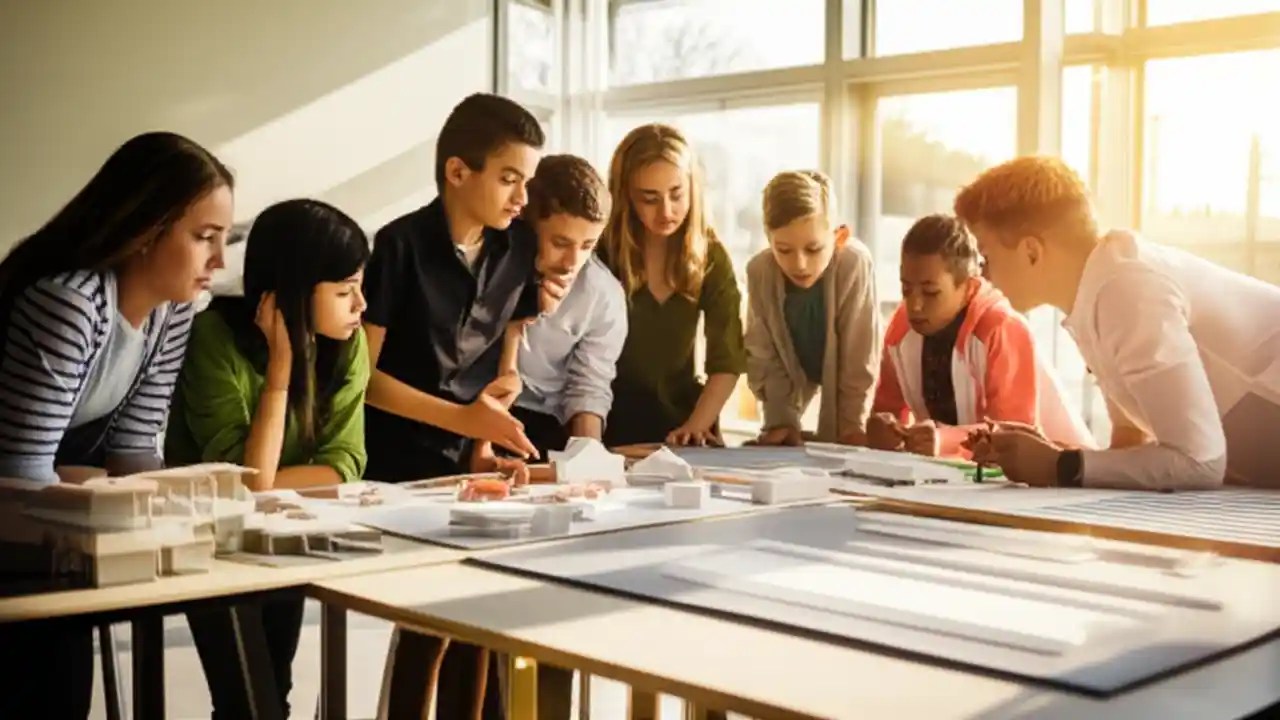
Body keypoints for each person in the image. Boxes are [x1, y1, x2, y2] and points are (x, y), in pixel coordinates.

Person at [0, 131, 233, 719]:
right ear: (144, 230)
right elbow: (20, 479)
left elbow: (132, 458)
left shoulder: (172, 311)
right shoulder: (72, 305)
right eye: (204, 237)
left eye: (225, 239)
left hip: (36, 531)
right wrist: (105, 493)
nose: (220, 261)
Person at [361, 92, 561, 719]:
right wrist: (465, 420)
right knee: (427, 628)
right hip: (399, 462)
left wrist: (501, 389)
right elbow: (363, 381)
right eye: (509, 179)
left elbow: (514, 326)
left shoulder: (518, 247)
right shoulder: (394, 247)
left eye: (526, 181)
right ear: (457, 171)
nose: (522, 197)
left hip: (476, 459)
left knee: (476, 627)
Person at [954, 155, 1280, 489]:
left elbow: (1200, 461)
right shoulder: (1094, 293)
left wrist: (1059, 465)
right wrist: (1044, 454)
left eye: (986, 255)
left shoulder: (1126, 288)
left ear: (1031, 252)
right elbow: (1131, 438)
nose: (982, 274)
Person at [166, 199, 370, 718]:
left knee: (271, 692)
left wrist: (272, 481)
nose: (361, 304)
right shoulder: (214, 339)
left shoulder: (349, 347)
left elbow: (345, 463)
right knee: (246, 702)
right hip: (208, 543)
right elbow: (248, 482)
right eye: (345, 291)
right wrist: (282, 368)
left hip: (286, 536)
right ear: (292, 294)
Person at [868, 214, 1093, 458]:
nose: (915, 305)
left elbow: (1015, 435)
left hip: (1057, 475)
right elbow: (888, 409)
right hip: (960, 481)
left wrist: (945, 442)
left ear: (969, 286)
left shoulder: (1001, 328)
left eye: (931, 292)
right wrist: (884, 430)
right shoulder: (901, 331)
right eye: (906, 289)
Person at [470, 154, 626, 476]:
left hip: (542, 424)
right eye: (560, 242)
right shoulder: (480, 266)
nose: (572, 261)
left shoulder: (603, 294)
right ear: (525, 224)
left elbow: (589, 386)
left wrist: (589, 461)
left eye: (587, 245)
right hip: (467, 407)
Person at [598, 123, 747, 447]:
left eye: (677, 194)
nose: (667, 211)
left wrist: (696, 425)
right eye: (649, 199)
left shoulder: (711, 256)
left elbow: (728, 360)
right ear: (626, 198)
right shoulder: (601, 253)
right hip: (607, 423)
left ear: (692, 187)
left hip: (684, 427)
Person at [744, 170, 880, 446]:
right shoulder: (759, 271)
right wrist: (781, 421)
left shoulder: (854, 264)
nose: (800, 264)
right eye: (783, 250)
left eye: (814, 248)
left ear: (839, 237)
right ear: (769, 241)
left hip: (868, 397)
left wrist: (852, 426)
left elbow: (859, 358)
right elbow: (765, 356)